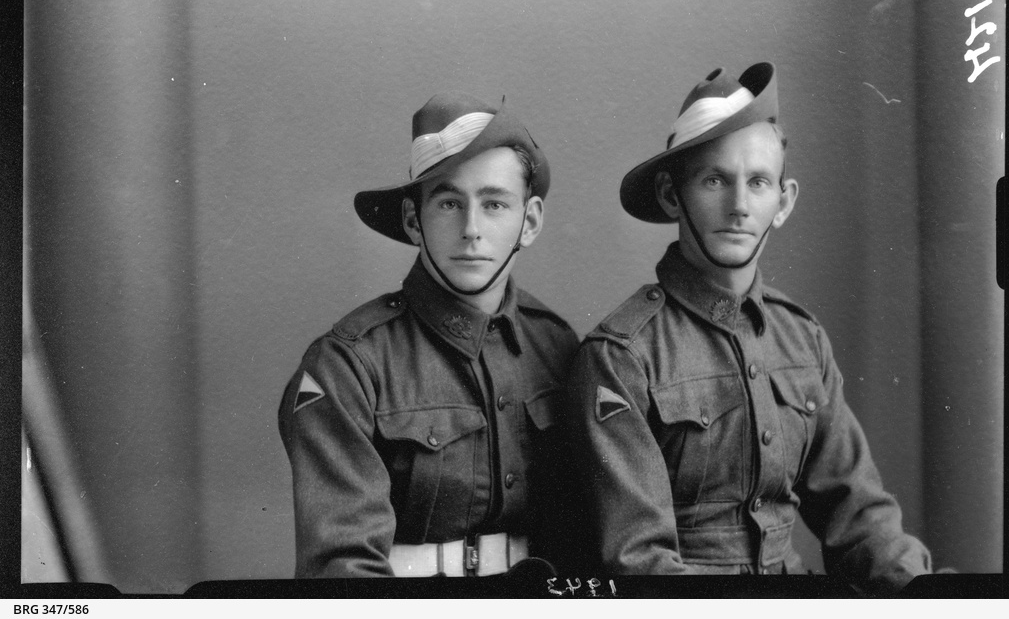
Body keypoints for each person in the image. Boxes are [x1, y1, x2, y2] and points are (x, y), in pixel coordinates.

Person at [565, 62, 934, 594]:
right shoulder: (623, 356)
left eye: (758, 182)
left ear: (783, 203)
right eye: (715, 180)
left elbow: (860, 518)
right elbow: (641, 561)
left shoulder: (802, 339)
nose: (739, 206)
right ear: (671, 195)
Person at [279, 92, 581, 578]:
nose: (471, 229)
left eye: (494, 204)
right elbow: (344, 571)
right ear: (412, 220)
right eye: (448, 203)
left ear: (529, 222)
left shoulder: (556, 346)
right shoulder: (348, 365)